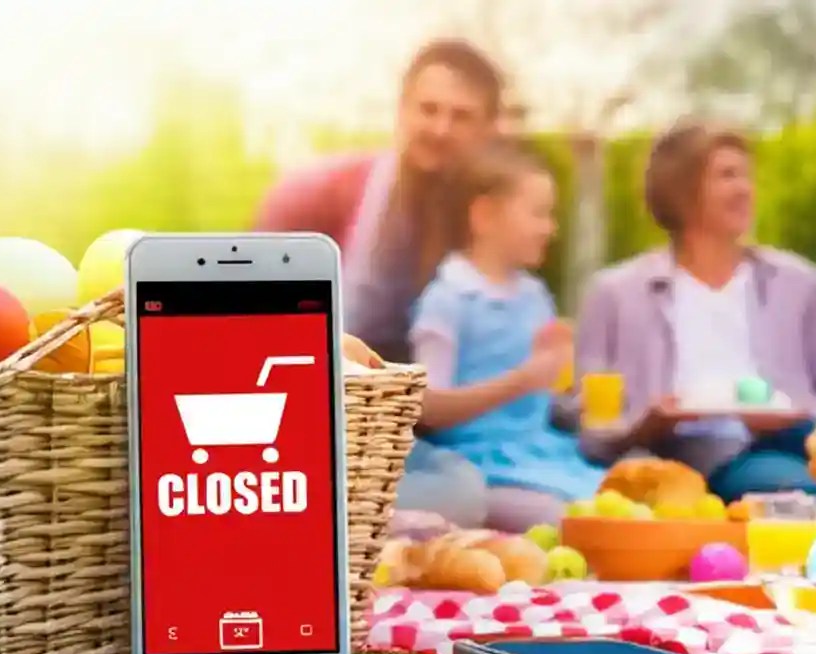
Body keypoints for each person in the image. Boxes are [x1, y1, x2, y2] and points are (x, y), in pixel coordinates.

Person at [253, 39, 504, 528]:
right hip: (300, 409)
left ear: (488, 130)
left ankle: (334, 515)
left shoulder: (480, 215)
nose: (440, 128)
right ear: (402, 110)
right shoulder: (319, 195)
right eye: (428, 109)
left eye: (461, 116)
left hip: (403, 426)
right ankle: (318, 517)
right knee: (465, 496)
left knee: (469, 486)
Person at [575, 119, 816, 503]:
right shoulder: (615, 294)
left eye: (746, 176)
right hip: (712, 454)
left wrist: (798, 414)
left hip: (806, 436)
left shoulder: (798, 283)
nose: (745, 189)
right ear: (680, 191)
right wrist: (644, 425)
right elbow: (590, 424)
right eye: (727, 176)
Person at [409, 142, 602, 532]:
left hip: (544, 454)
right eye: (538, 214)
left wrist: (571, 392)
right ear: (484, 216)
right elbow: (426, 407)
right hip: (481, 465)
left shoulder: (534, 296)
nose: (550, 228)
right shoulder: (448, 300)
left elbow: (546, 403)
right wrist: (523, 380)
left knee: (624, 504)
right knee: (571, 524)